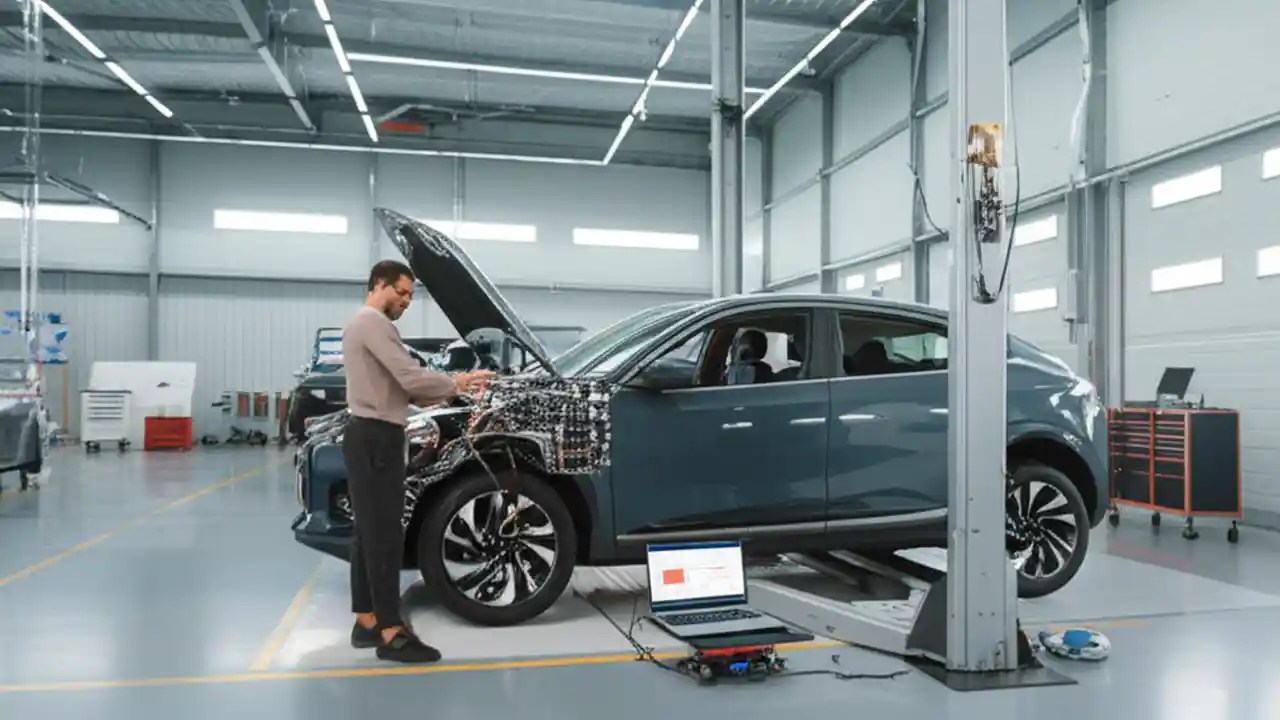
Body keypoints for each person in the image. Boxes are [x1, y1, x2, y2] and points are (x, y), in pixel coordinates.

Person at [342, 259, 494, 663]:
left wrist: (441, 389)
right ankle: (392, 633)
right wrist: (457, 382)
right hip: (378, 437)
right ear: (379, 284)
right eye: (402, 292)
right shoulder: (374, 323)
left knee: (368, 533)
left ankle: (367, 620)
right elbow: (410, 378)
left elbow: (404, 387)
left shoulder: (362, 323)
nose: (407, 301)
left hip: (368, 434)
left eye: (411, 295)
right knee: (384, 536)